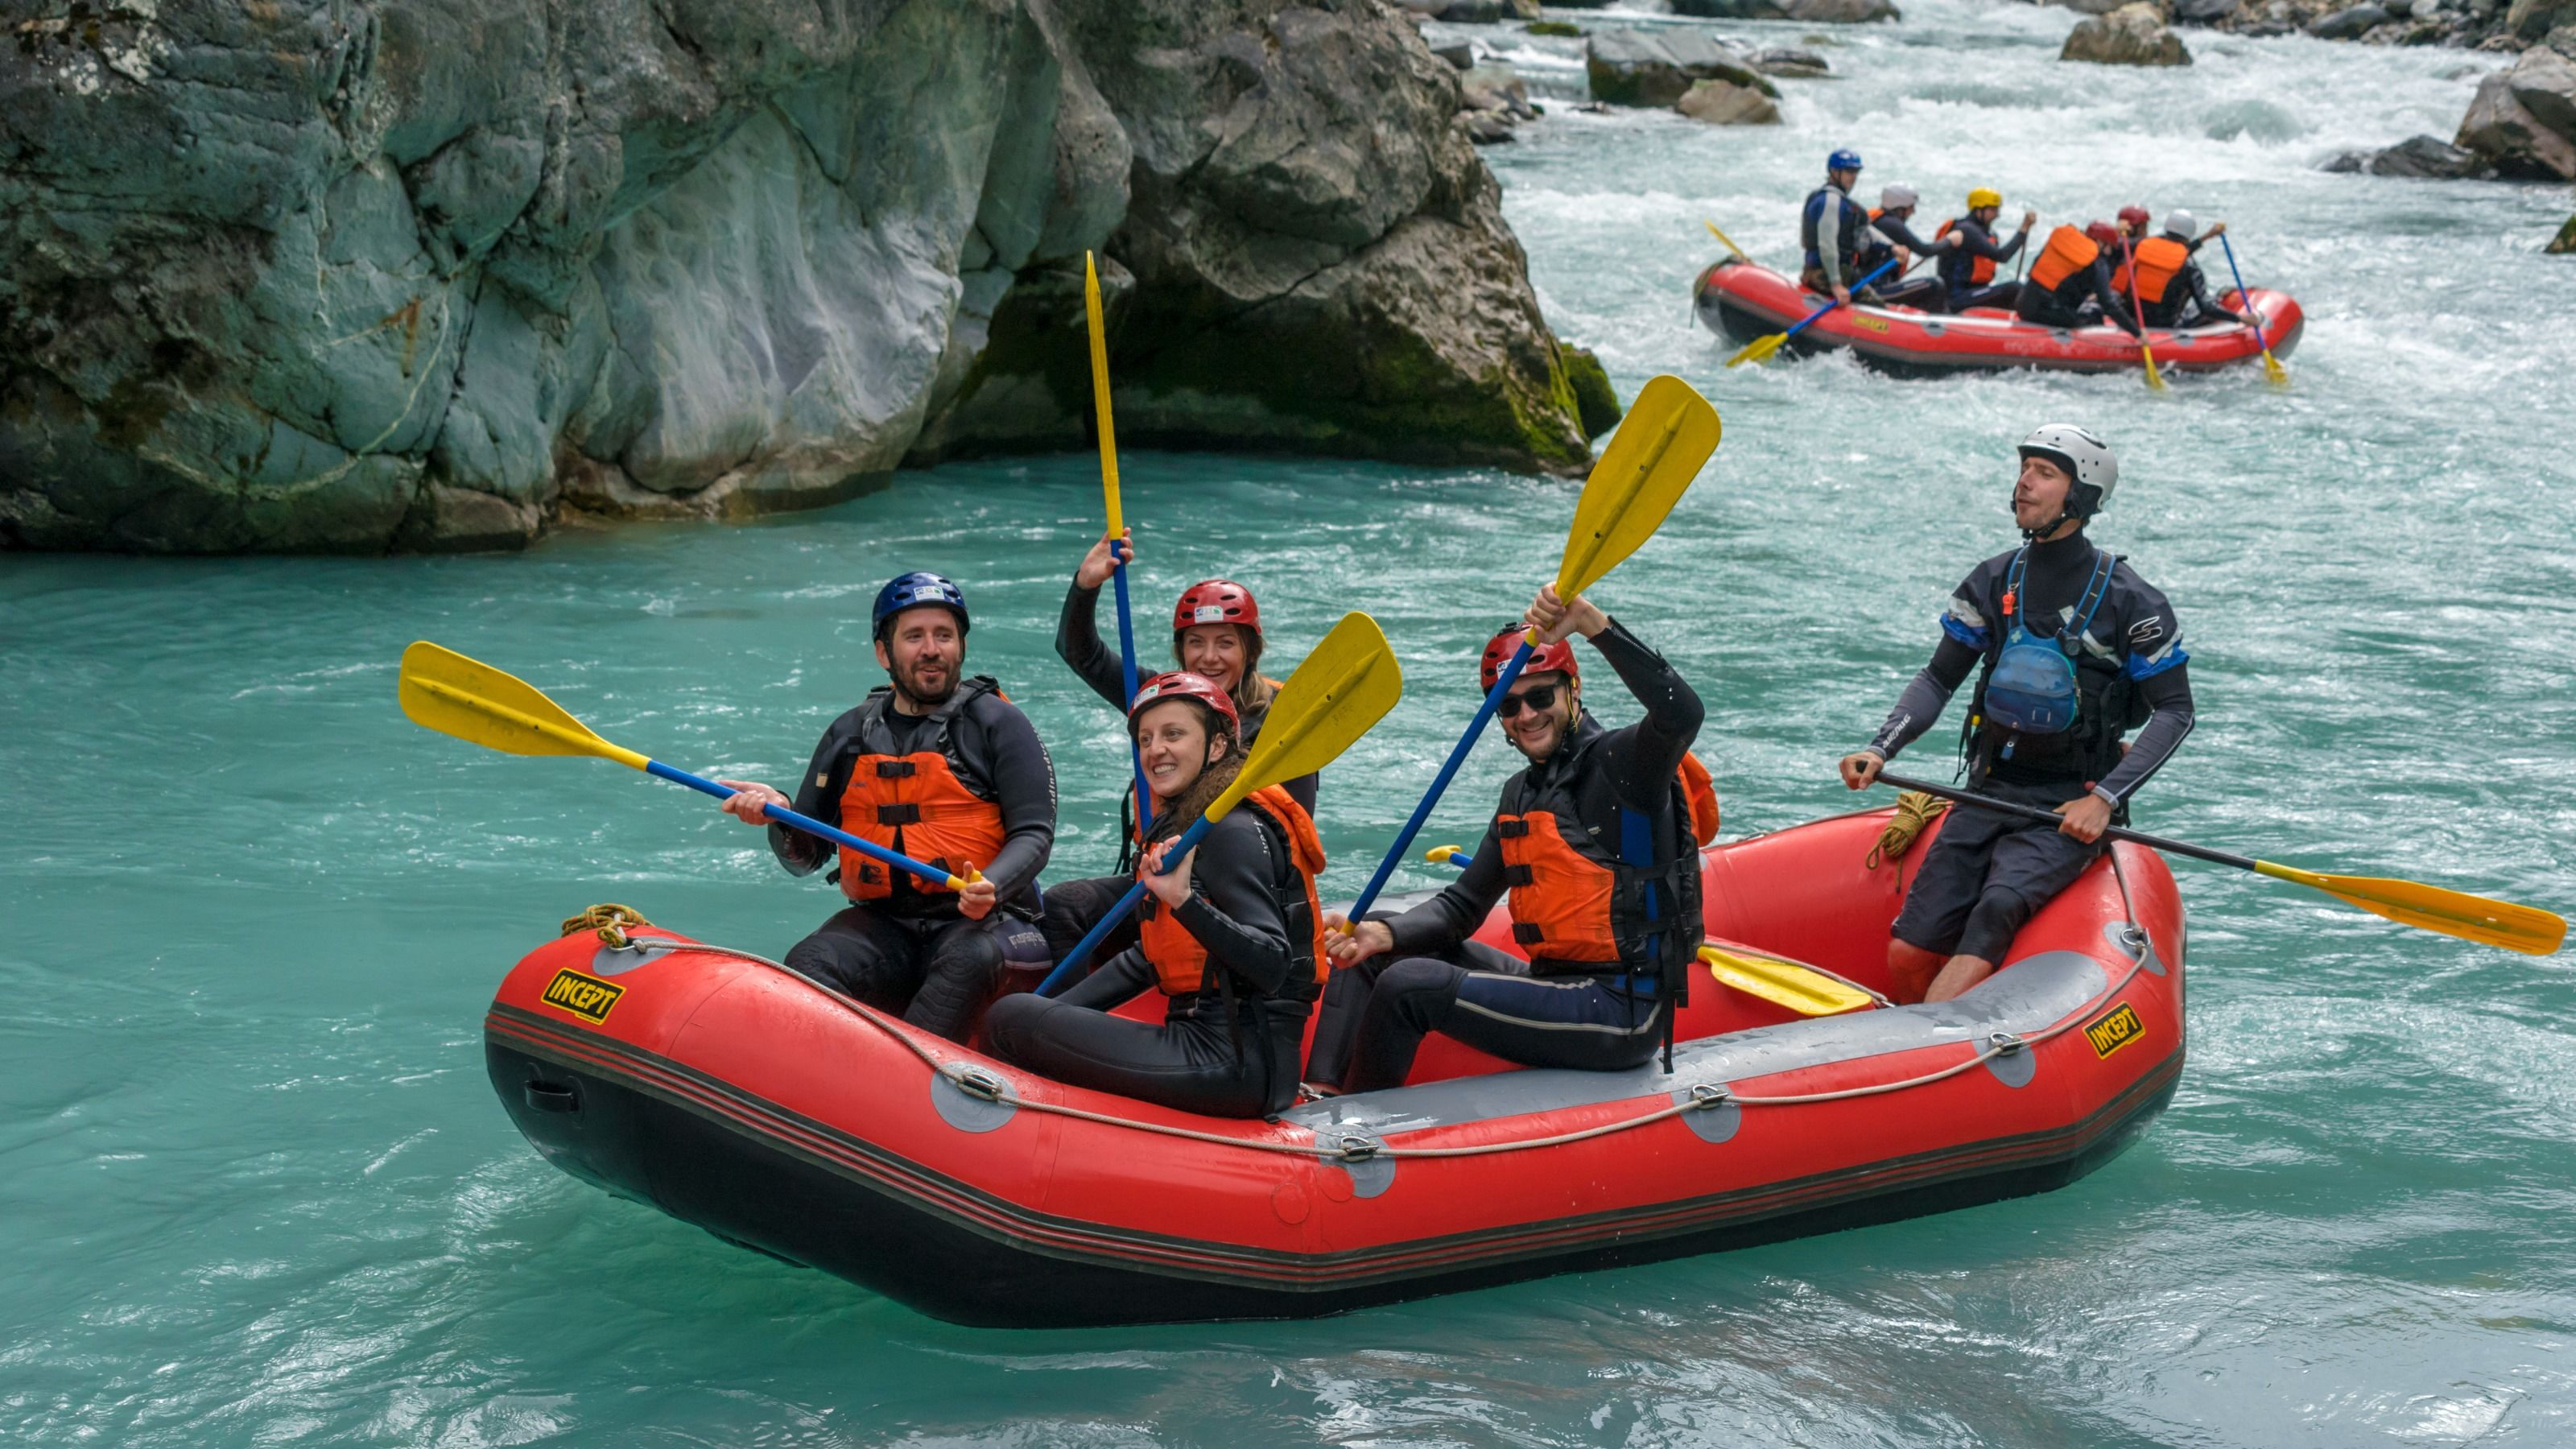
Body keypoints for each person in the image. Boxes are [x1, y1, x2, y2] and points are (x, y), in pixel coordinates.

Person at [1304, 587, 1721, 1096]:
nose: (1526, 715)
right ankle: (1318, 1096)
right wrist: (1380, 936)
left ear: (1571, 690)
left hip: (1621, 1009)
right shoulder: (1520, 794)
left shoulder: (1624, 766)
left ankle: (1351, 1130)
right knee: (1371, 941)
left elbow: (1682, 714)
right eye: (1509, 705)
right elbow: (1462, 905)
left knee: (1410, 984)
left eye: (1540, 696)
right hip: (1551, 983)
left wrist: (1591, 623)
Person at [1836, 427, 2194, 1005]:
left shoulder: (2133, 602)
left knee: (1997, 909)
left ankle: (1932, 1043)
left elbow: (2176, 712)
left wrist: (2102, 799)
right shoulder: (1995, 579)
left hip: (2067, 802)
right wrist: (1882, 748)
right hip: (1989, 789)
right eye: (2025, 467)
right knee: (1908, 953)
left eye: (2045, 472)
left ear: (2080, 497)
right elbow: (1938, 678)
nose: (2024, 481)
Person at [718, 572, 1055, 1042]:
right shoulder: (849, 734)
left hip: (987, 924)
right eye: (914, 636)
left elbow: (1035, 833)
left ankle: (907, 1083)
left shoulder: (998, 723)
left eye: (944, 635)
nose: (931, 649)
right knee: (808, 963)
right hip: (886, 924)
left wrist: (991, 885)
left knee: (967, 961)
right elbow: (805, 856)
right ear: (884, 653)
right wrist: (777, 814)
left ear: (961, 646)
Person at [983, 672, 1325, 1119]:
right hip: (1219, 1050)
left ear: (1218, 746)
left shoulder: (1232, 830)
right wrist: (1048, 1012)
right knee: (1022, 1015)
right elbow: (1148, 958)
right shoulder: (1191, 823)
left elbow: (1272, 963)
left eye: (1173, 734)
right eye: (1145, 739)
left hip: (1235, 1061)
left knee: (1007, 1020)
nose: (1155, 750)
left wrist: (1185, 902)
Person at [1045, 533, 1317, 968]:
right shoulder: (1164, 701)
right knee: (1063, 905)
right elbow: (1080, 653)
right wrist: (1086, 585)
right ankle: (1066, 1018)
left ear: (1250, 650)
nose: (1209, 658)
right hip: (1160, 874)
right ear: (1181, 649)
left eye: (1225, 643)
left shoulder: (1286, 716)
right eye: (1196, 643)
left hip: (1233, 891)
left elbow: (1294, 827)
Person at [2126, 210, 2252, 329]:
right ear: (2190, 234)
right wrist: (2240, 319)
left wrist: (2208, 235)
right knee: (2211, 302)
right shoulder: (2190, 267)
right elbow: (2206, 308)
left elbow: (2179, 251)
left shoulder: (2145, 248)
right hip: (2168, 325)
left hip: (2135, 318)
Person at [2013, 221, 2143, 336]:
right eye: (2109, 247)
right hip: (2046, 314)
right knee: (2095, 314)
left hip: (2022, 305)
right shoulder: (2097, 262)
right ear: (2100, 243)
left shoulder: (2066, 244)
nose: (2109, 252)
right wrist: (2137, 333)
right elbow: (2109, 305)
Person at [1937, 188, 2037, 312]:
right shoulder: (1967, 231)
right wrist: (2024, 228)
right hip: (1957, 298)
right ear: (1979, 210)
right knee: (2014, 288)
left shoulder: (1986, 233)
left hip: (1975, 292)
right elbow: (2002, 256)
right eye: (1993, 210)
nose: (1997, 215)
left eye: (1997, 209)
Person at [1856, 183, 1951, 311]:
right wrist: (1949, 241)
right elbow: (1925, 250)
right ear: (1899, 207)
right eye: (1911, 207)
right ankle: (1938, 325)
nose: (1913, 211)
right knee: (1935, 284)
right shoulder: (1890, 224)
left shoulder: (1880, 220)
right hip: (1875, 289)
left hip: (1871, 286)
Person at [1800, 148, 1872, 304]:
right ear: (1834, 171)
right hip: (1824, 275)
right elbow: (1827, 244)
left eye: (1856, 172)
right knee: (1874, 305)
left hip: (1841, 272)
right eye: (1849, 171)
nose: (1853, 177)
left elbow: (1867, 230)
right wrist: (1836, 284)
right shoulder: (1831, 201)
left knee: (1877, 304)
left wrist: (1892, 247)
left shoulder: (1838, 201)